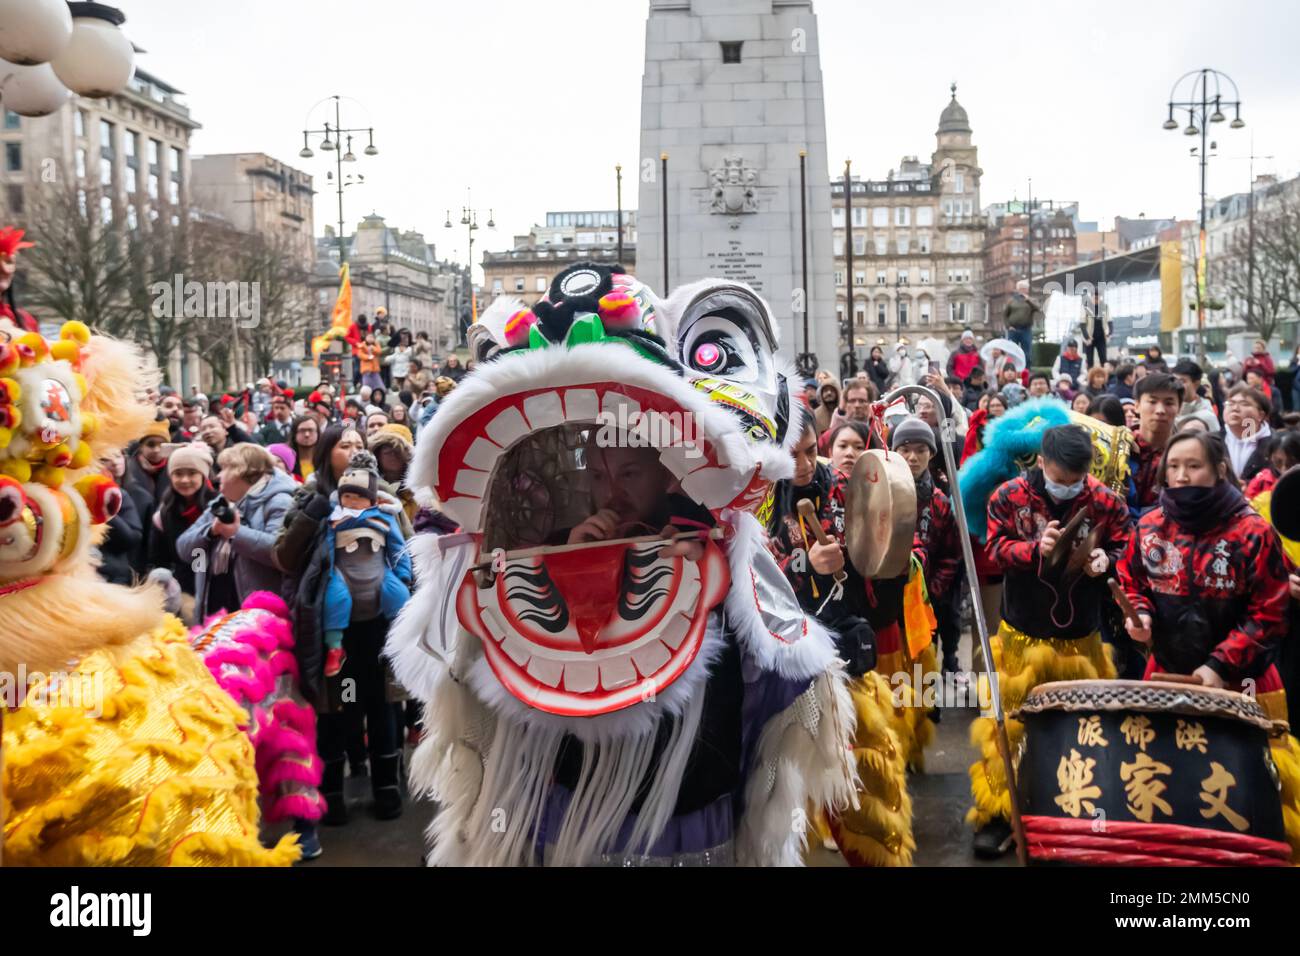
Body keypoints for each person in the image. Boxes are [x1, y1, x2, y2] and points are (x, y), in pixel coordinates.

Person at [1117, 431, 1300, 859]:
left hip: (1244, 682)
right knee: (1168, 784)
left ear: (1218, 470)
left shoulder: (1252, 532)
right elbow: (1132, 579)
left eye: (1193, 466)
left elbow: (1270, 614)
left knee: (1248, 794)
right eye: (1174, 466)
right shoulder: (1150, 526)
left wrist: (1219, 664)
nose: (1181, 475)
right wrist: (1140, 615)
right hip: (1167, 675)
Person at [969, 424, 1132, 858]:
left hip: (1082, 637)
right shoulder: (1009, 496)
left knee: (1082, 730)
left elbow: (1126, 549)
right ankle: (997, 815)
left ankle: (1077, 812)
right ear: (1042, 462)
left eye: (1077, 480)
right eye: (1061, 480)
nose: (1070, 487)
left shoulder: (1106, 502)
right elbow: (995, 551)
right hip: (1022, 632)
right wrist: (1033, 550)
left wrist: (1107, 560)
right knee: (1006, 729)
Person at [177, 443, 296, 622]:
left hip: (258, 619)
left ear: (243, 472)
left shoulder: (280, 501)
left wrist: (236, 533)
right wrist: (211, 531)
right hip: (214, 612)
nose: (218, 476)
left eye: (225, 469)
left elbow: (280, 553)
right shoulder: (222, 502)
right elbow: (183, 548)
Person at [1129, 372, 1180, 514]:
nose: (1160, 410)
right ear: (1137, 405)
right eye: (1152, 402)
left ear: (1179, 408)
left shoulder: (1186, 454)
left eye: (1169, 403)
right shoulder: (1119, 446)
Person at [97, 446, 145, 586]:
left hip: (118, 575)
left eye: (118, 456)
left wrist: (106, 510)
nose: (114, 462)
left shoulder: (138, 495)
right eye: (105, 459)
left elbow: (134, 539)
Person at [1223, 384, 1272, 481]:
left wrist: (1248, 485)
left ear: (1261, 415)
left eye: (1244, 404)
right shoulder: (1211, 441)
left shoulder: (1275, 444)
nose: (1235, 408)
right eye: (1230, 403)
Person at [1245, 430, 1300, 499]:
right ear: (1270, 458)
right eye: (1278, 462)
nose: (1284, 469)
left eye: (1291, 463)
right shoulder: (1260, 482)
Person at [1172, 358, 1220, 433]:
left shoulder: (1206, 416)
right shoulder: (1168, 409)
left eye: (1182, 381)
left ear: (1196, 384)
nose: (1177, 385)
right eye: (1174, 380)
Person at [1002, 278, 1041, 359]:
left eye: (1025, 288)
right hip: (1013, 330)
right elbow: (1005, 315)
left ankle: (1027, 366)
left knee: (1027, 352)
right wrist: (1008, 326)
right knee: (1012, 352)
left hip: (1026, 330)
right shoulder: (1011, 301)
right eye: (1021, 288)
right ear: (1018, 290)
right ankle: (1012, 366)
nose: (1023, 290)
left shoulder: (1031, 300)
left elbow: (1038, 308)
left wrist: (1028, 300)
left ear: (1027, 290)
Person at [1080, 289, 1112, 368]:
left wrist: (1109, 333)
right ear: (1091, 297)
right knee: (1089, 360)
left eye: (1098, 297)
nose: (1096, 299)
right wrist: (1087, 337)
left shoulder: (1105, 306)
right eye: (1095, 297)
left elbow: (1110, 321)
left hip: (1101, 337)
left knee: (1104, 359)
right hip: (1090, 337)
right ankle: (1090, 374)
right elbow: (1082, 324)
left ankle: (1104, 374)